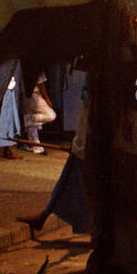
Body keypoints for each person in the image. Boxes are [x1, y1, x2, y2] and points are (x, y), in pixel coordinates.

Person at [19, 70, 94, 236]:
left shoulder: (97, 80)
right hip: (82, 144)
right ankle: (44, 216)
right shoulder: (89, 82)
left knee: (78, 185)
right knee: (67, 182)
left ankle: (45, 216)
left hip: (87, 145)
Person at [21, 70, 54, 154]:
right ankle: (29, 120)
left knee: (32, 123)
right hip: (33, 94)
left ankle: (35, 145)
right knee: (51, 115)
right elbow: (41, 84)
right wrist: (47, 98)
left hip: (26, 94)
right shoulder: (35, 66)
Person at [0, 63, 22, 159]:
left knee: (10, 119)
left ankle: (7, 149)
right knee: (0, 118)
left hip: (11, 87)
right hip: (0, 86)